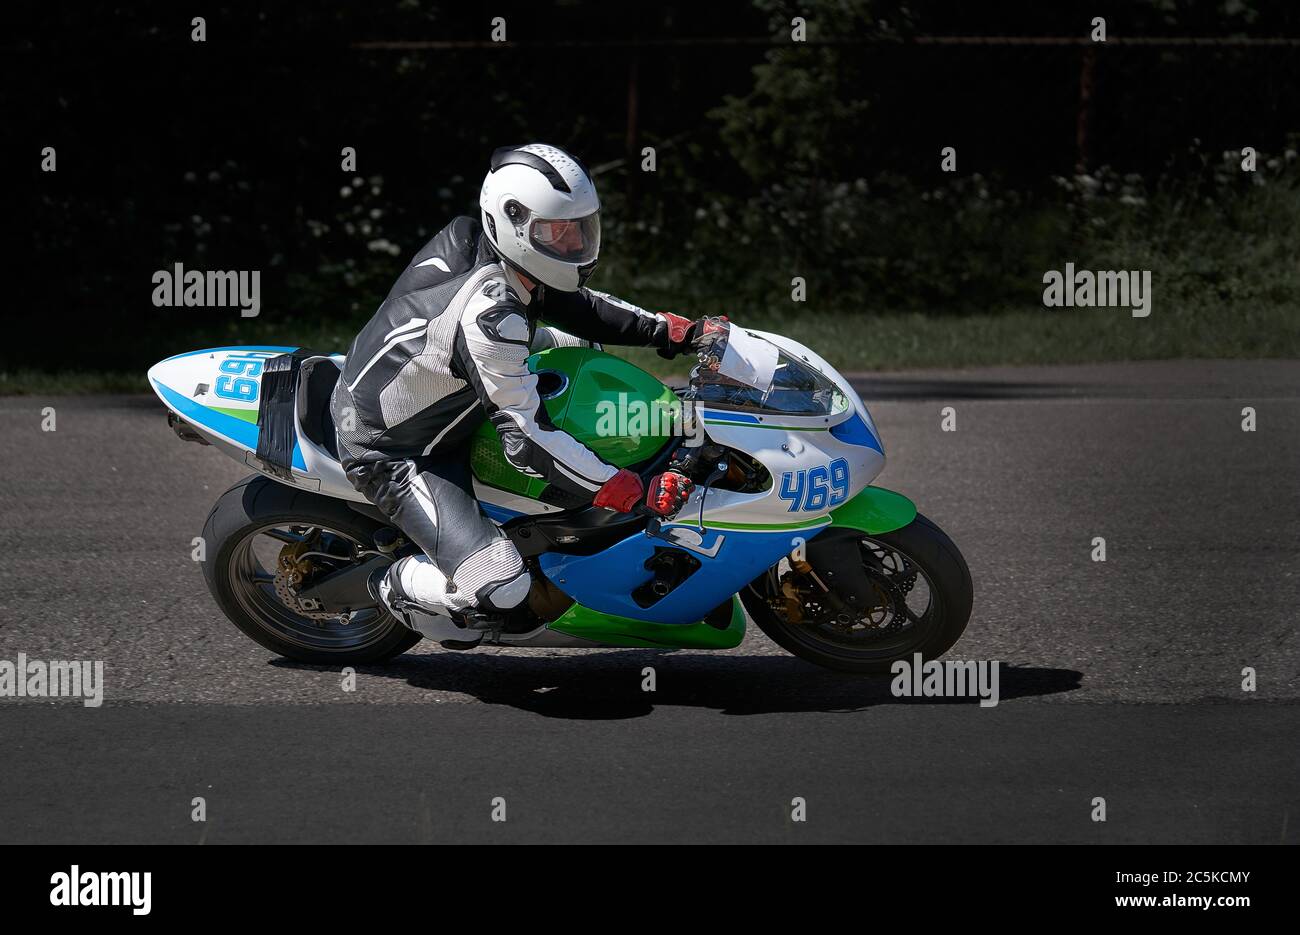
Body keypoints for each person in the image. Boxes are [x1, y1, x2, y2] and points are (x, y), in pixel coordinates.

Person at [329, 143, 707, 632]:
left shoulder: (482, 244)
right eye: (558, 233)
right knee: (501, 587)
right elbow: (525, 441)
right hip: (397, 450)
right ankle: (385, 585)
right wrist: (624, 489)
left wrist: (671, 331)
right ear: (513, 225)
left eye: (580, 229)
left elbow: (580, 307)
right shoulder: (491, 315)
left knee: (583, 340)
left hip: (436, 387)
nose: (574, 245)